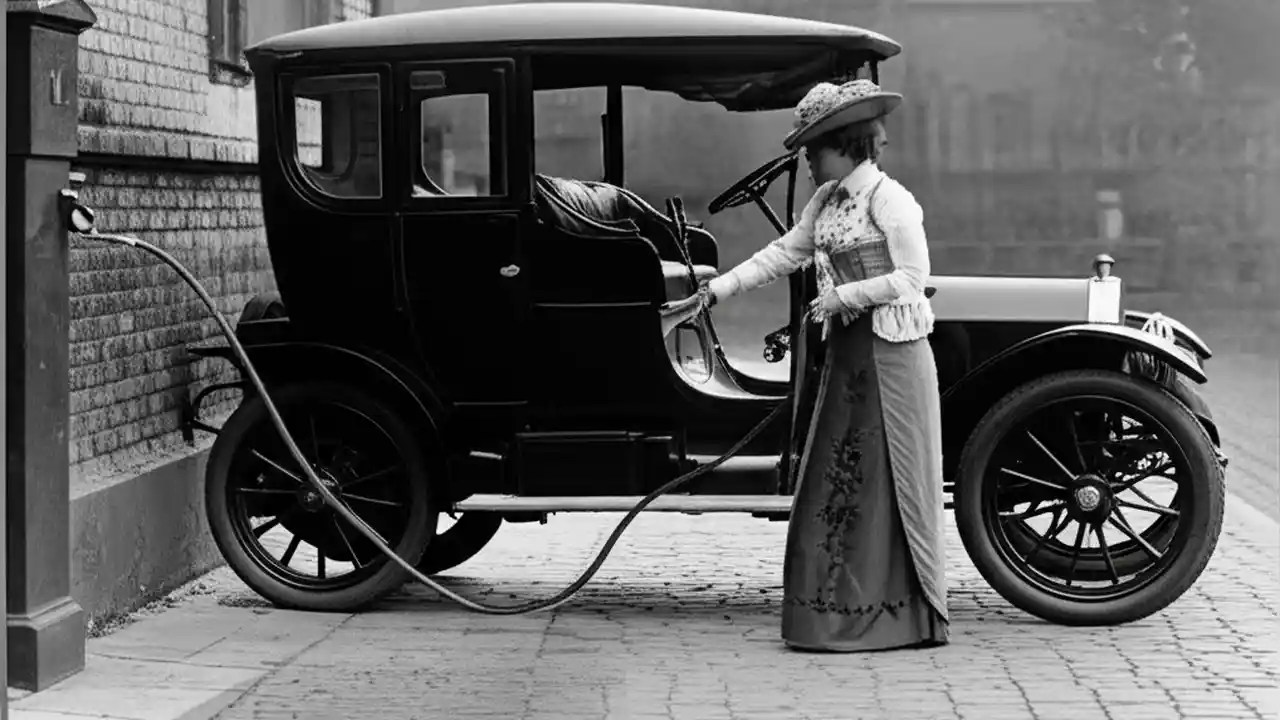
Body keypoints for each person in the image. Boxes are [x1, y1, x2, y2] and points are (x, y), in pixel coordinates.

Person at [699, 78, 949, 652]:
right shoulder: (828, 202)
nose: (807, 161)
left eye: (813, 150)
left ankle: (896, 618)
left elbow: (914, 279)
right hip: (848, 359)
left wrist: (845, 297)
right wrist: (716, 292)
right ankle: (830, 610)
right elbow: (783, 254)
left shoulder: (890, 199)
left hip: (890, 359)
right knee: (838, 482)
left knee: (885, 483)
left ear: (842, 144)